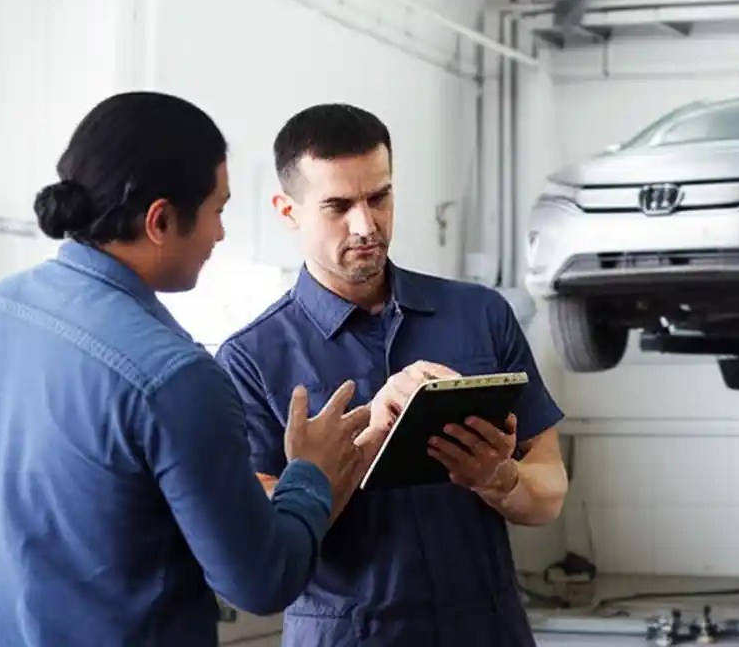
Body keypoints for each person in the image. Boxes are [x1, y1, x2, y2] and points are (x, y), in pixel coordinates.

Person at [0, 92, 408, 647]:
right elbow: (259, 581)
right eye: (218, 210)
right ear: (161, 220)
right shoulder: (176, 378)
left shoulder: (3, 307)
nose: (220, 234)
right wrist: (310, 472)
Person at [214, 103, 568, 645]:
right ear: (288, 211)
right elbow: (264, 550)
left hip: (486, 627)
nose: (366, 225)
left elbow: (549, 495)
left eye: (379, 197)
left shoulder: (479, 315)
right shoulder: (251, 359)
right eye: (338, 205)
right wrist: (370, 441)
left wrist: (498, 478)